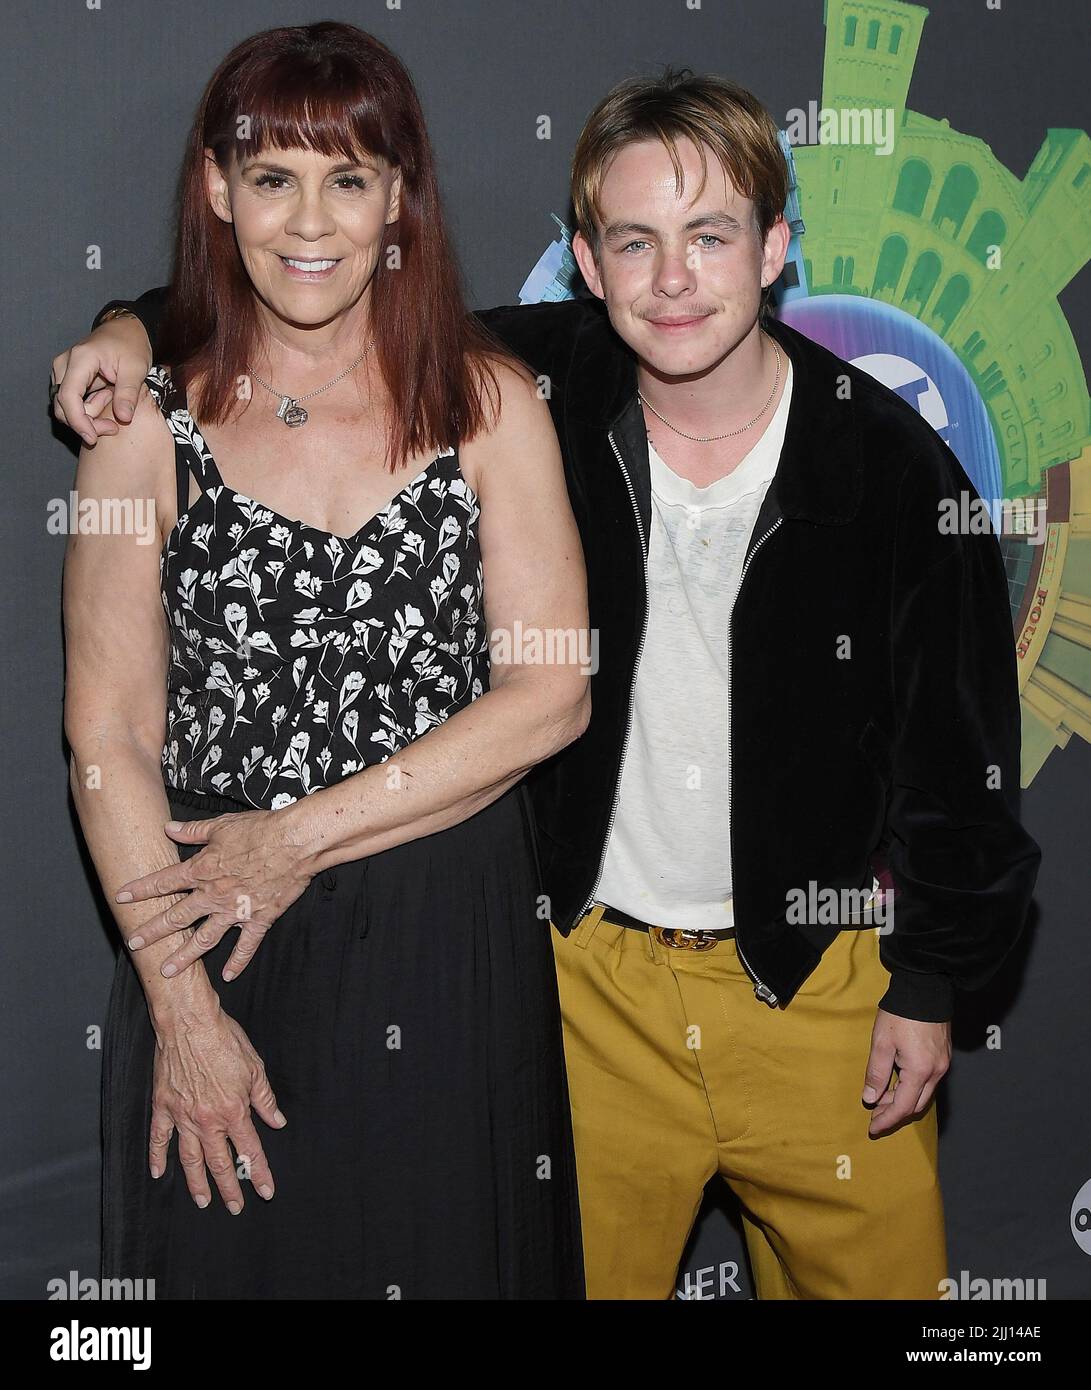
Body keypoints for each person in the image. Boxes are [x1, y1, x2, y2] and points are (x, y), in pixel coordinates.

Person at [55, 68, 1041, 1300]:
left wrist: (932, 981)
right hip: (586, 991)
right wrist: (125, 329)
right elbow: (299, 280)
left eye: (709, 236)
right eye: (633, 242)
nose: (671, 279)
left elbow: (959, 759)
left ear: (775, 247)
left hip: (818, 986)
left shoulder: (897, 471)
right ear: (583, 261)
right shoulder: (540, 377)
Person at [58, 21, 589, 1300]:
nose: (311, 219)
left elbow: (552, 691)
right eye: (273, 175)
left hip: (447, 948)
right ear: (215, 187)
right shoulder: (139, 430)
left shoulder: (491, 406)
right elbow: (108, 739)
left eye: (348, 178)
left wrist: (292, 837)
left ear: (397, 197)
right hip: (211, 947)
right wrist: (182, 1013)